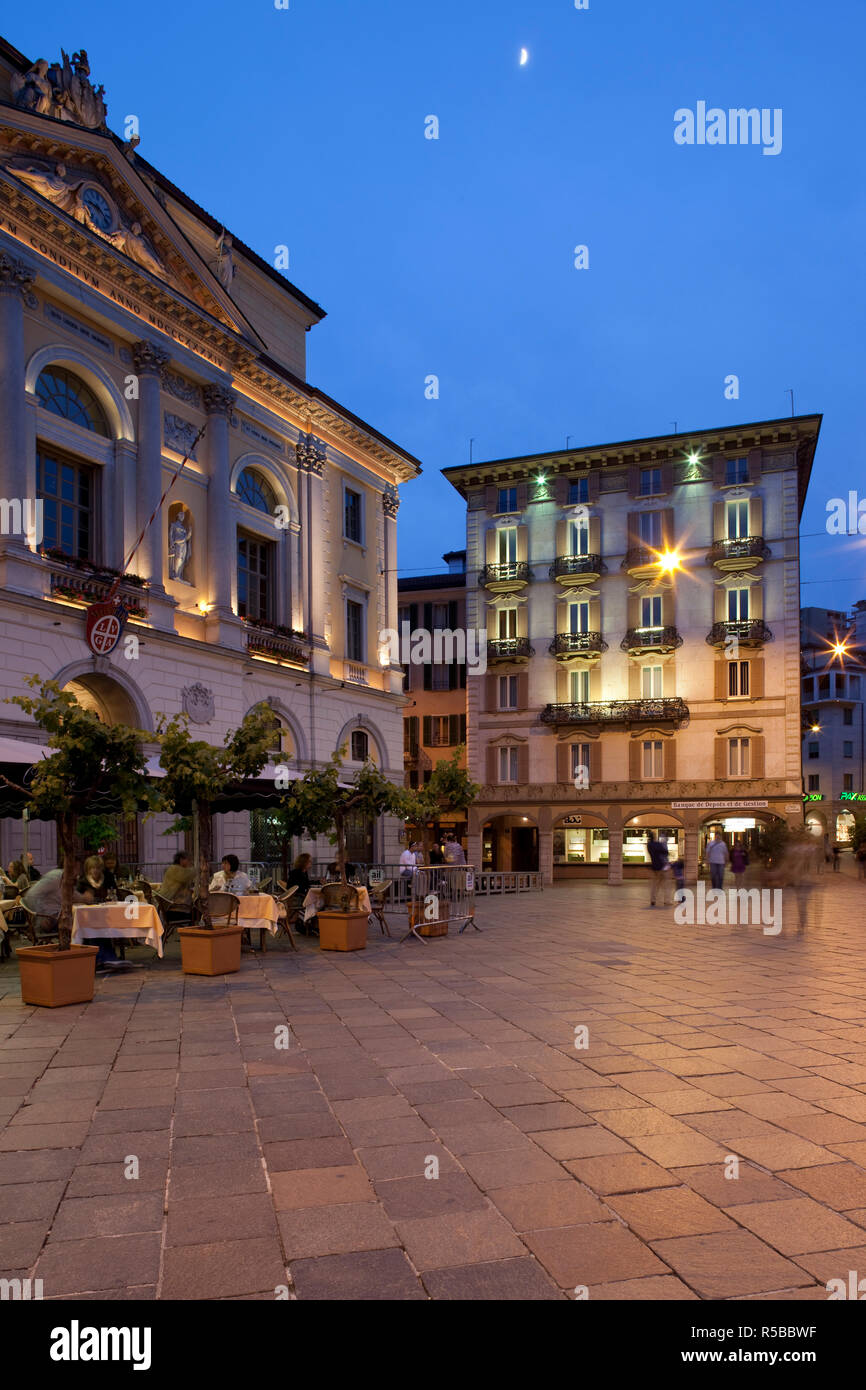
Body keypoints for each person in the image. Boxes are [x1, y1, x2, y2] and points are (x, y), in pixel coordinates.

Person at [647, 832, 672, 907]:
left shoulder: (649, 845)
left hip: (654, 867)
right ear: (654, 837)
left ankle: (653, 900)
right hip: (662, 866)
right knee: (666, 885)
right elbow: (666, 852)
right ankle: (667, 901)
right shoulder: (657, 844)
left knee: (655, 885)